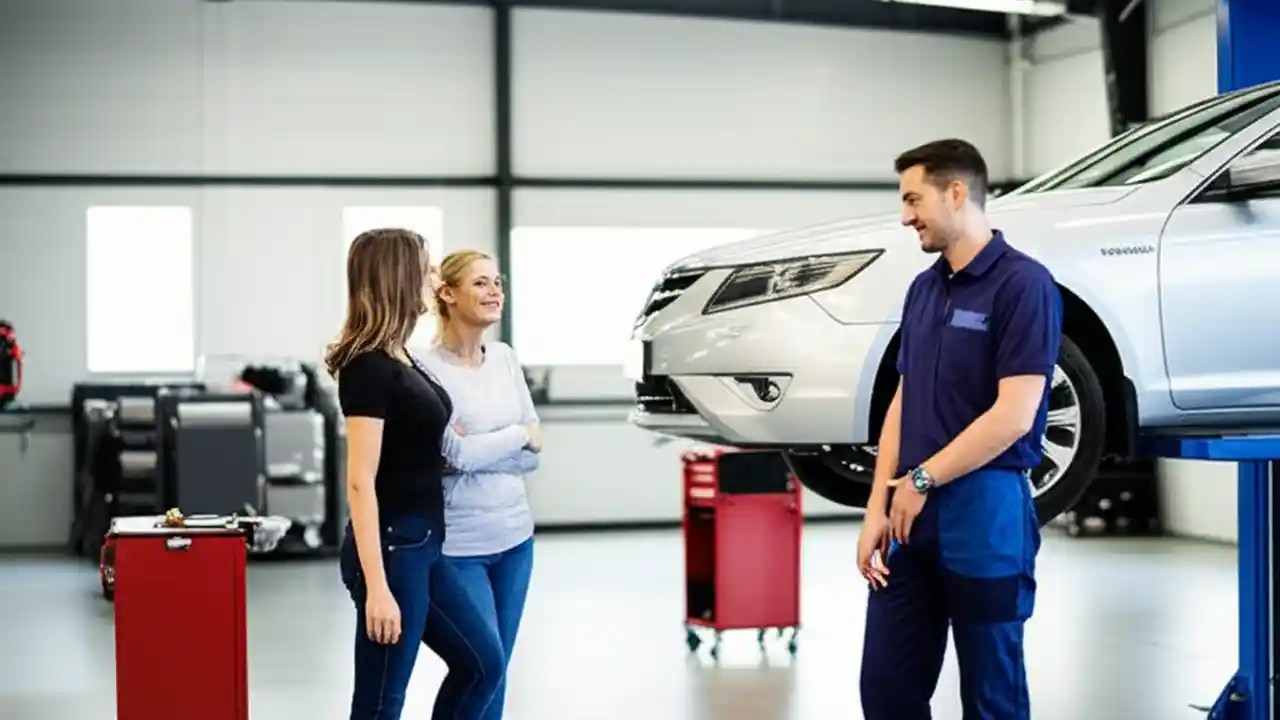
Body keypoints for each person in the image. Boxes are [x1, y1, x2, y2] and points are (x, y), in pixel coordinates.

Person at [857, 139, 1062, 720]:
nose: (905, 216)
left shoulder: (1024, 285)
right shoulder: (923, 289)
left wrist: (921, 481)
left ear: (956, 192)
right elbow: (905, 396)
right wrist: (878, 504)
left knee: (991, 696)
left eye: (913, 198)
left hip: (984, 508)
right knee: (888, 690)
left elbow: (1014, 414)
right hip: (908, 513)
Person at [327, 229, 510, 720]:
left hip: (423, 544)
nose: (432, 278)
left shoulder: (399, 356)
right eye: (426, 267)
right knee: (381, 702)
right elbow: (360, 481)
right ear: (399, 275)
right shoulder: (367, 365)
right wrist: (377, 586)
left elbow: (406, 447)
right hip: (392, 552)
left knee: (483, 665)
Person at [417, 249, 542, 720]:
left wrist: (482, 451)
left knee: (499, 668)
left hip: (515, 541)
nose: (495, 293)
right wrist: (513, 439)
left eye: (498, 282)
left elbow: (535, 452)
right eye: (481, 283)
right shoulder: (424, 367)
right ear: (447, 294)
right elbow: (454, 454)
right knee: (478, 667)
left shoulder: (505, 358)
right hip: (459, 548)